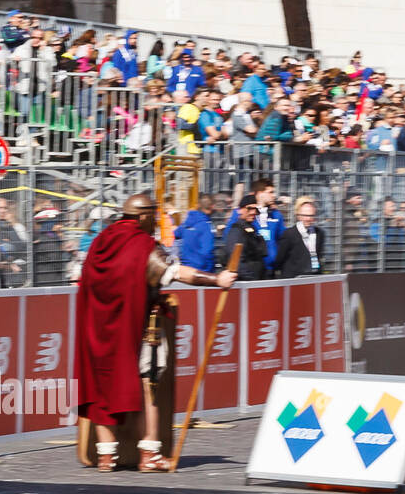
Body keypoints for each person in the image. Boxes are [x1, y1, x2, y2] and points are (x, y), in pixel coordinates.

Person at [75, 193, 236, 473]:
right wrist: (216, 279)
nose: (157, 221)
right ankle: (149, 453)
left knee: (101, 388)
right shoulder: (141, 246)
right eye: (154, 215)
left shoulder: (102, 241)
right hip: (135, 328)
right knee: (147, 386)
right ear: (143, 216)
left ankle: (106, 456)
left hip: (97, 330)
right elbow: (176, 273)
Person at [274, 198, 327, 276]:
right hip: (294, 278)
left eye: (311, 215)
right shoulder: (289, 234)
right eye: (305, 215)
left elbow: (319, 255)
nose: (308, 218)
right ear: (298, 216)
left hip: (313, 275)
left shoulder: (319, 233)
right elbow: (280, 258)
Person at [220, 196, 268, 280]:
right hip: (245, 283)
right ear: (240, 210)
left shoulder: (252, 229)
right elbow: (236, 261)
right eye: (249, 208)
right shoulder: (237, 231)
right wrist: (251, 279)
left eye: (255, 209)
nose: (253, 212)